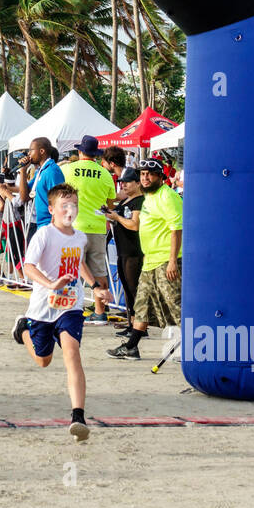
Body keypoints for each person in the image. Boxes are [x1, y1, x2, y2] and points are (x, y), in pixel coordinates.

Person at [11, 183, 95, 443]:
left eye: (74, 205)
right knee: (43, 359)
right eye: (64, 205)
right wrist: (50, 284)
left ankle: (78, 416)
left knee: (72, 352)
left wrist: (95, 286)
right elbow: (28, 267)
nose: (70, 210)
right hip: (42, 306)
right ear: (52, 209)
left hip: (70, 306)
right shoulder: (44, 235)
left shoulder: (80, 237)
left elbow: (79, 262)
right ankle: (22, 330)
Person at [119, 158, 183, 357]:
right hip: (150, 260)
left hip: (166, 260)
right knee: (142, 303)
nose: (145, 178)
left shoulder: (167, 196)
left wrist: (173, 260)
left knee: (175, 304)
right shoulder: (148, 196)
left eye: (150, 174)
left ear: (160, 177)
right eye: (142, 174)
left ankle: (194, 344)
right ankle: (131, 347)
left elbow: (177, 229)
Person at [62, 135, 115, 324]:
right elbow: (110, 204)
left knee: (70, 270)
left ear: (80, 152)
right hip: (98, 227)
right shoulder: (105, 174)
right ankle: (100, 312)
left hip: (74, 226)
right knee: (99, 271)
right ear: (95, 154)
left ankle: (68, 309)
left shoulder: (68, 169)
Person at [104, 168, 147, 359]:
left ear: (137, 183)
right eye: (121, 182)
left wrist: (117, 217)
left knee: (134, 289)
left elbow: (134, 225)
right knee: (128, 290)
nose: (123, 185)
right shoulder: (125, 201)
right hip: (122, 250)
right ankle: (132, 325)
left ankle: (139, 327)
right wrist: (110, 214)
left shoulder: (139, 201)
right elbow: (122, 220)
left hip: (134, 251)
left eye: (127, 182)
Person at [19, 137, 64, 243]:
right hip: (41, 225)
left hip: (50, 226)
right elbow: (24, 197)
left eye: (31, 150)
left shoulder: (52, 171)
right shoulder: (41, 171)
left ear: (42, 151)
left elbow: (60, 199)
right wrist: (23, 171)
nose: (28, 154)